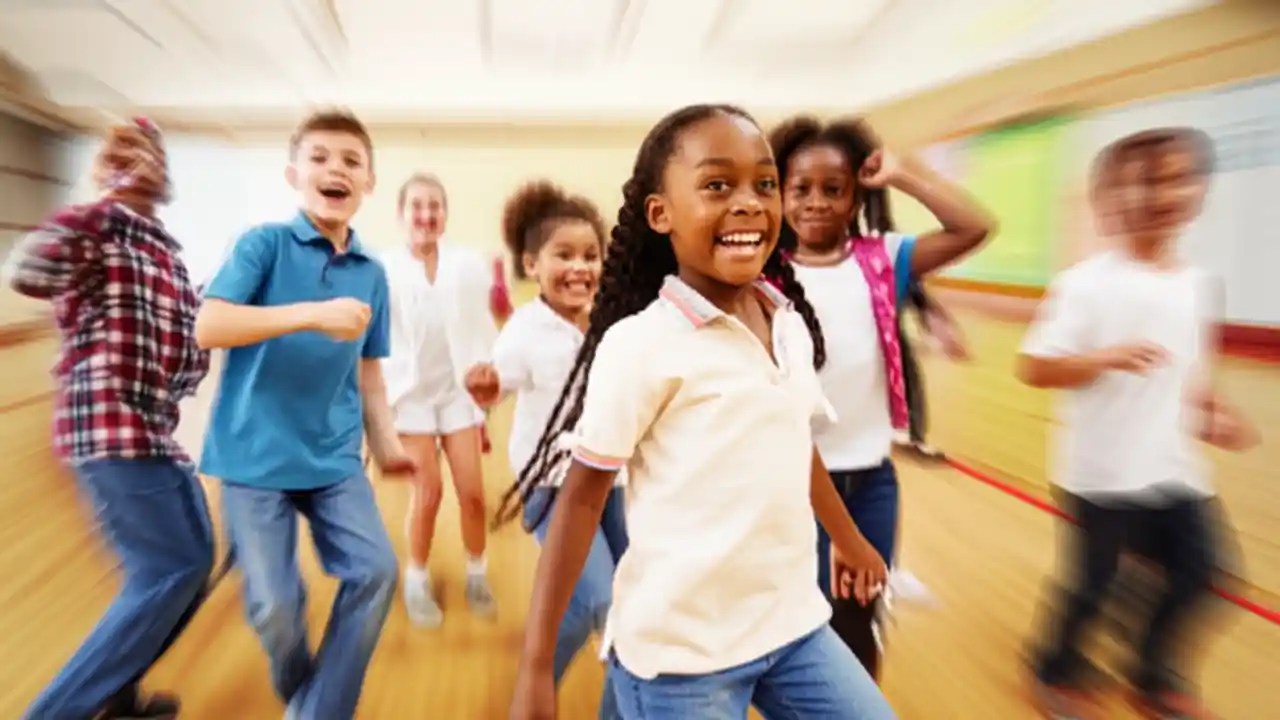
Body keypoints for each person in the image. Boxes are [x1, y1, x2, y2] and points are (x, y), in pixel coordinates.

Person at [506, 104, 896, 720]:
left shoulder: (784, 321)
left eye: (764, 184)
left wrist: (847, 539)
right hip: (682, 658)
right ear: (661, 213)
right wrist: (535, 666)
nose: (748, 202)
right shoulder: (640, 344)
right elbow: (580, 500)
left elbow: (795, 444)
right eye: (718, 185)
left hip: (792, 626)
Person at [1018, 127, 1258, 719]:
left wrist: (1212, 414)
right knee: (1092, 585)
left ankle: (1152, 671)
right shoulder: (1084, 284)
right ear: (1112, 198)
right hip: (1099, 474)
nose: (1161, 193)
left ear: (1198, 192)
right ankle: (1053, 663)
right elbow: (1035, 366)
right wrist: (1102, 358)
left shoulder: (1199, 284)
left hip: (1176, 469)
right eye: (1144, 180)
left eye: (1177, 177)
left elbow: (1193, 375)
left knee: (1206, 577)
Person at [194, 109, 414, 719]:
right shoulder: (261, 244)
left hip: (333, 457)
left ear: (368, 184)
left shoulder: (372, 274)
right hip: (250, 456)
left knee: (375, 572)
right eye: (319, 158)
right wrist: (310, 314)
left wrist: (388, 443)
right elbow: (209, 325)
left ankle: (319, 711)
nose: (334, 169)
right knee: (273, 607)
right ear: (294, 174)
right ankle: (309, 697)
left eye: (351, 161)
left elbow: (369, 374)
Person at [768, 115, 994, 678]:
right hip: (792, 484)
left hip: (870, 480)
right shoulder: (763, 272)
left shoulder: (881, 258)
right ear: (781, 192)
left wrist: (902, 176)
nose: (816, 202)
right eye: (801, 189)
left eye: (834, 189)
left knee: (857, 620)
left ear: (855, 197)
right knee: (802, 627)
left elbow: (973, 228)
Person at [5, 118, 213, 720]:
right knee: (167, 570)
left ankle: (118, 696)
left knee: (192, 565)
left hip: (154, 433)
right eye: (123, 153)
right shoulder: (98, 228)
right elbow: (29, 270)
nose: (139, 161)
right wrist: (101, 202)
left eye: (150, 151)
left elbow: (188, 349)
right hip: (105, 428)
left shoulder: (167, 255)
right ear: (108, 168)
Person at [464, 180, 624, 717]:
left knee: (627, 603)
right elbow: (497, 384)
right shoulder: (524, 331)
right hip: (552, 487)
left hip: (614, 482)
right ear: (532, 264)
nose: (580, 267)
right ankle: (535, 692)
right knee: (600, 599)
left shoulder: (611, 324)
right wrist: (487, 389)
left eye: (590, 255)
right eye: (564, 255)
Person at [380, 172, 499, 627]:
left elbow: (480, 327)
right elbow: (375, 338)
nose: (426, 215)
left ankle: (476, 573)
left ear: (444, 215)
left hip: (456, 394)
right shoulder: (384, 268)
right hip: (409, 397)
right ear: (401, 214)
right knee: (427, 492)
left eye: (435, 206)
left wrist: (484, 390)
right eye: (417, 206)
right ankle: (416, 579)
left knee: (472, 494)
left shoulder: (467, 264)